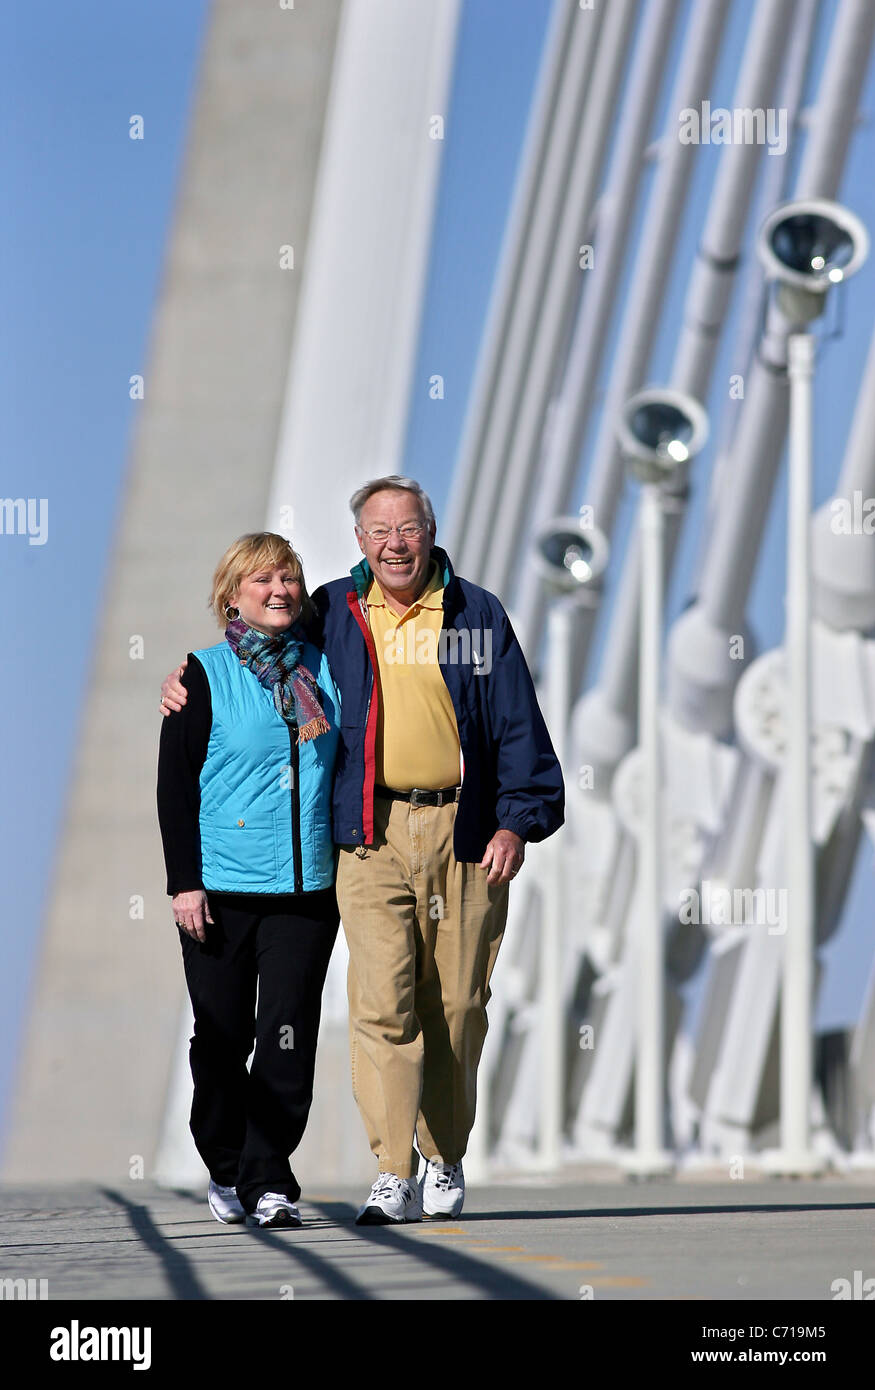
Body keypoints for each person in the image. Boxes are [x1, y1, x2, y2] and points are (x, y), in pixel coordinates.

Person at [161, 478, 563, 1224]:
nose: (395, 544)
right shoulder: (336, 615)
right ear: (359, 542)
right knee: (380, 1005)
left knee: (457, 1004)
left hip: (464, 830)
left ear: (431, 531)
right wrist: (186, 684)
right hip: (367, 835)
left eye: (407, 529)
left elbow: (516, 725)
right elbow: (250, 652)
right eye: (379, 532)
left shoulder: (475, 614)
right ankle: (389, 1169)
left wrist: (518, 820)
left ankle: (443, 1152)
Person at [157, 532, 340, 1228]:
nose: (278, 592)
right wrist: (184, 884)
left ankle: (270, 1181)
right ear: (231, 594)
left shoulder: (327, 668)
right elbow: (174, 789)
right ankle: (226, 1163)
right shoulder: (201, 675)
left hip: (304, 891)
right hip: (220, 890)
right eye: (261, 581)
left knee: (288, 1034)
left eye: (289, 579)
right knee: (222, 1036)